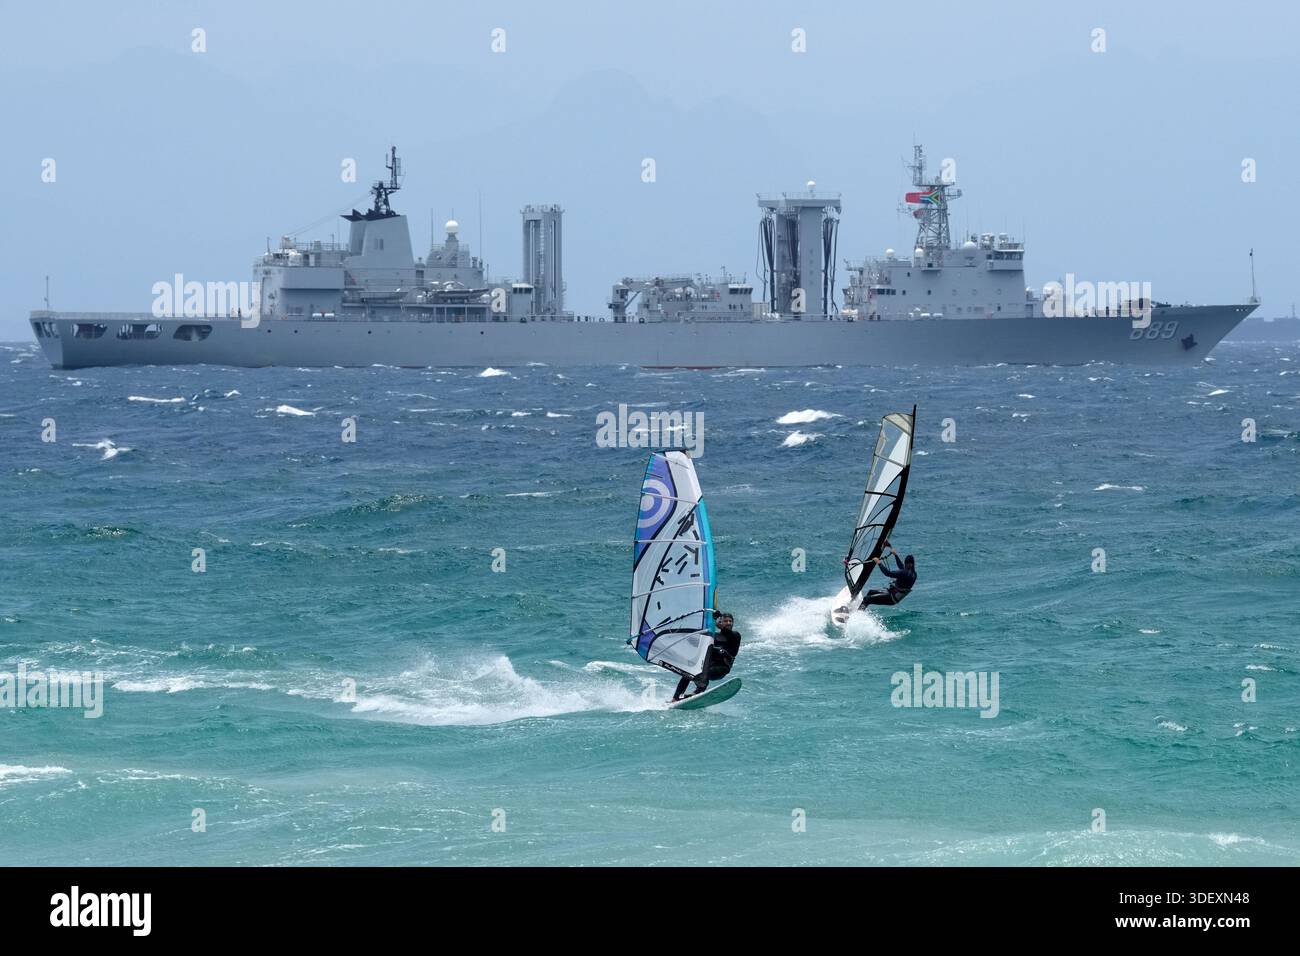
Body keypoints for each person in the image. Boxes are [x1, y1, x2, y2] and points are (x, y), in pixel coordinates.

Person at [672, 611, 741, 701]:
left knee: (705, 672)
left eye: (730, 621)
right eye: (726, 621)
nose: (728, 623)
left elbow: (728, 633)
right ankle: (675, 698)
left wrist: (715, 622)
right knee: (688, 673)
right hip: (709, 665)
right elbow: (695, 641)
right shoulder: (713, 636)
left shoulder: (735, 636)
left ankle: (698, 692)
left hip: (721, 668)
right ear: (722, 621)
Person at [859, 543, 916, 609]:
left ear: (910, 564)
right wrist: (895, 555)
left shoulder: (905, 573)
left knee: (867, 599)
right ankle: (859, 609)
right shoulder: (912, 573)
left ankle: (856, 615)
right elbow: (901, 567)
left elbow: (887, 573)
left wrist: (879, 563)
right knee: (871, 592)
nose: (906, 565)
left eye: (907, 564)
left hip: (891, 597)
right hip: (892, 594)